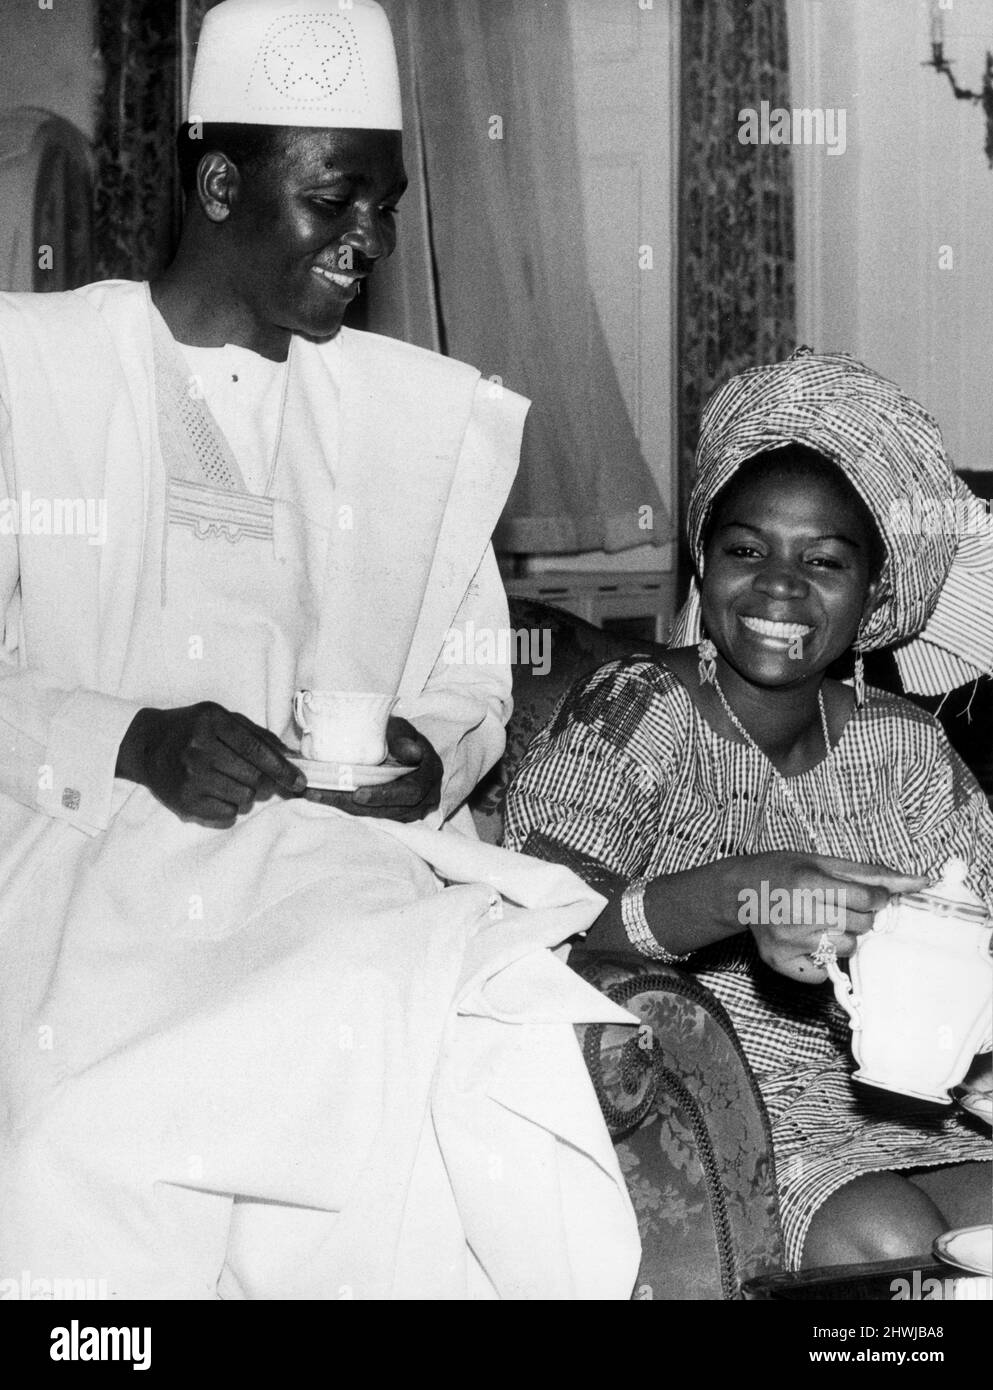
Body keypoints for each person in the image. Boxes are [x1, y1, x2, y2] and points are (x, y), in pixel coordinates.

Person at [0, 0, 640, 1299]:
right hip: (89, 865)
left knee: (470, 1070)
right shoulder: (34, 372)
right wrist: (134, 735)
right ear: (221, 181)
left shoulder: (406, 413)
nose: (371, 240)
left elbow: (470, 681)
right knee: (75, 1149)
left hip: (325, 866)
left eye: (386, 206)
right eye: (335, 198)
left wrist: (430, 750)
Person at [504, 349, 993, 1272]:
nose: (779, 586)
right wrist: (745, 892)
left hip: (919, 1113)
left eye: (824, 561)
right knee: (891, 1245)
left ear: (874, 595)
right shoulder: (636, 709)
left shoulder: (908, 750)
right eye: (746, 549)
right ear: (702, 559)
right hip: (722, 1117)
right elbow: (526, 928)